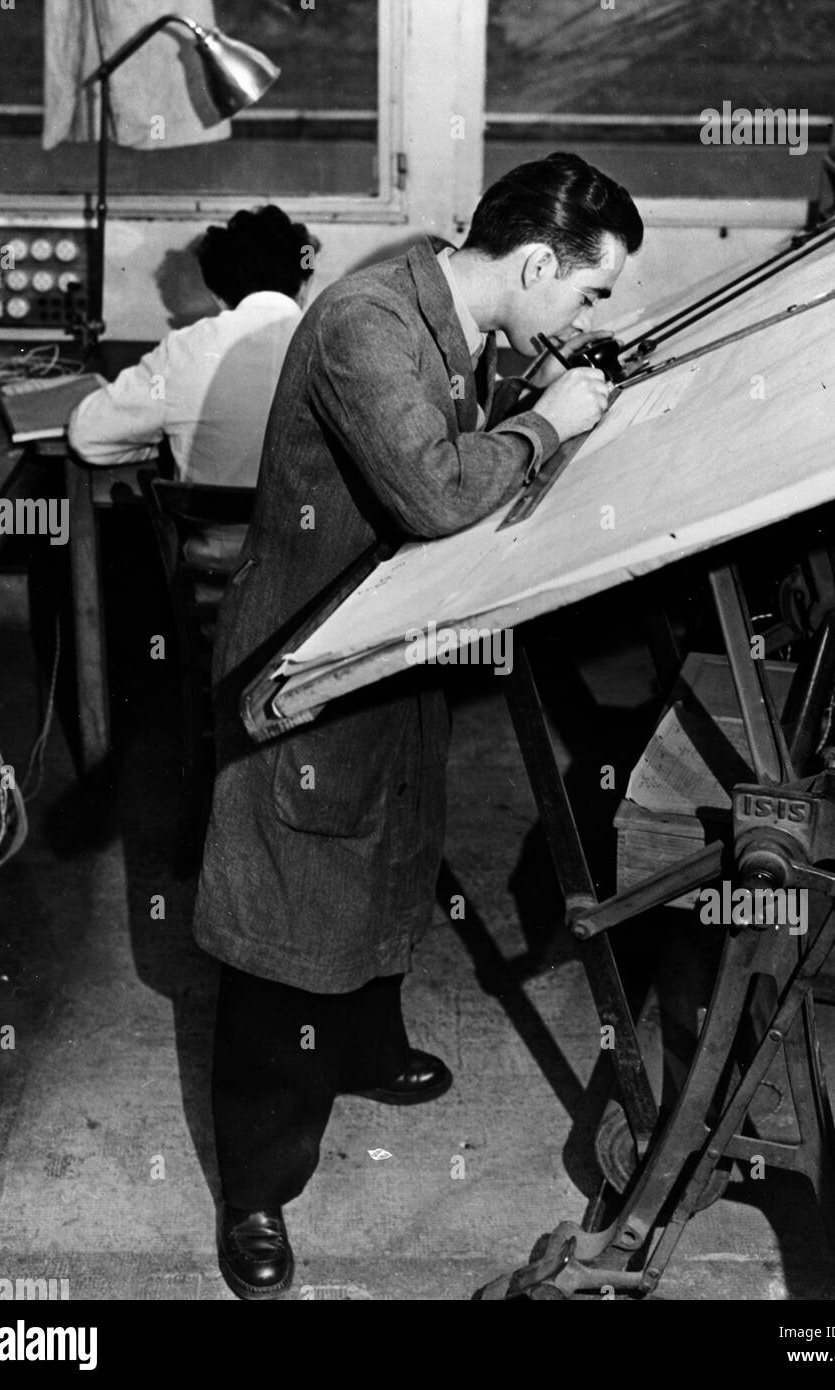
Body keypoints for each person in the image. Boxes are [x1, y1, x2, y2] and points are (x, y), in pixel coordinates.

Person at [192, 153, 644, 1300]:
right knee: (284, 918)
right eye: (588, 294)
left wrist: (537, 398)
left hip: (388, 651)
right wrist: (546, 424)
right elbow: (437, 491)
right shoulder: (365, 324)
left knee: (387, 857)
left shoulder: (450, 316)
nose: (585, 317)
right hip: (305, 662)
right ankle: (255, 1186)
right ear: (537, 262)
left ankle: (356, 1049)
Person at [67, 205, 318, 570]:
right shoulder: (337, 340)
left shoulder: (185, 350)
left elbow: (86, 436)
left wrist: (166, 439)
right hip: (325, 589)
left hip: (217, 586)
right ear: (304, 284)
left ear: (217, 294)